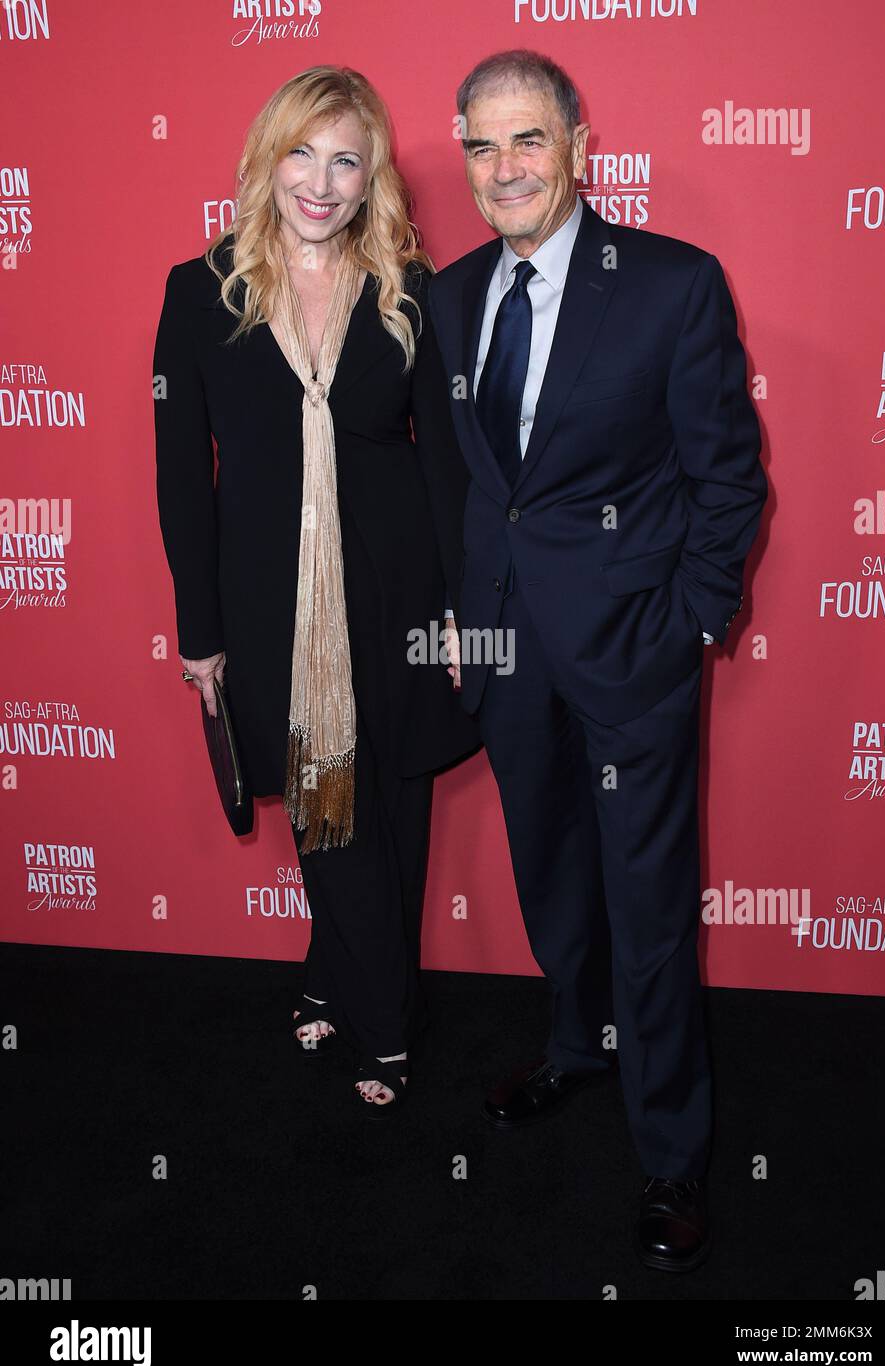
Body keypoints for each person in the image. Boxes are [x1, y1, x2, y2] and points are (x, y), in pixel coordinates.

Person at [431, 50, 767, 1268]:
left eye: (527, 141)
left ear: (578, 145)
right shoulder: (454, 292)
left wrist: (686, 623)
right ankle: (578, 1045)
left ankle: (672, 1152)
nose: (504, 168)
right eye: (480, 146)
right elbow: (479, 490)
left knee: (652, 906)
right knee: (552, 870)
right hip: (511, 646)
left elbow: (727, 480)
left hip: (634, 651)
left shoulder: (672, 286)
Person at [153, 66, 480, 1112]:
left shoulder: (406, 287)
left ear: (371, 173)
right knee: (323, 805)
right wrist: (198, 632)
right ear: (268, 157)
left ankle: (325, 973)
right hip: (269, 605)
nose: (323, 182)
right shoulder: (198, 292)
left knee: (392, 797)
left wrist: (463, 613)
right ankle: (388, 1025)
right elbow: (181, 476)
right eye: (304, 152)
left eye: (347, 159)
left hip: (399, 592)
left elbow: (442, 468)